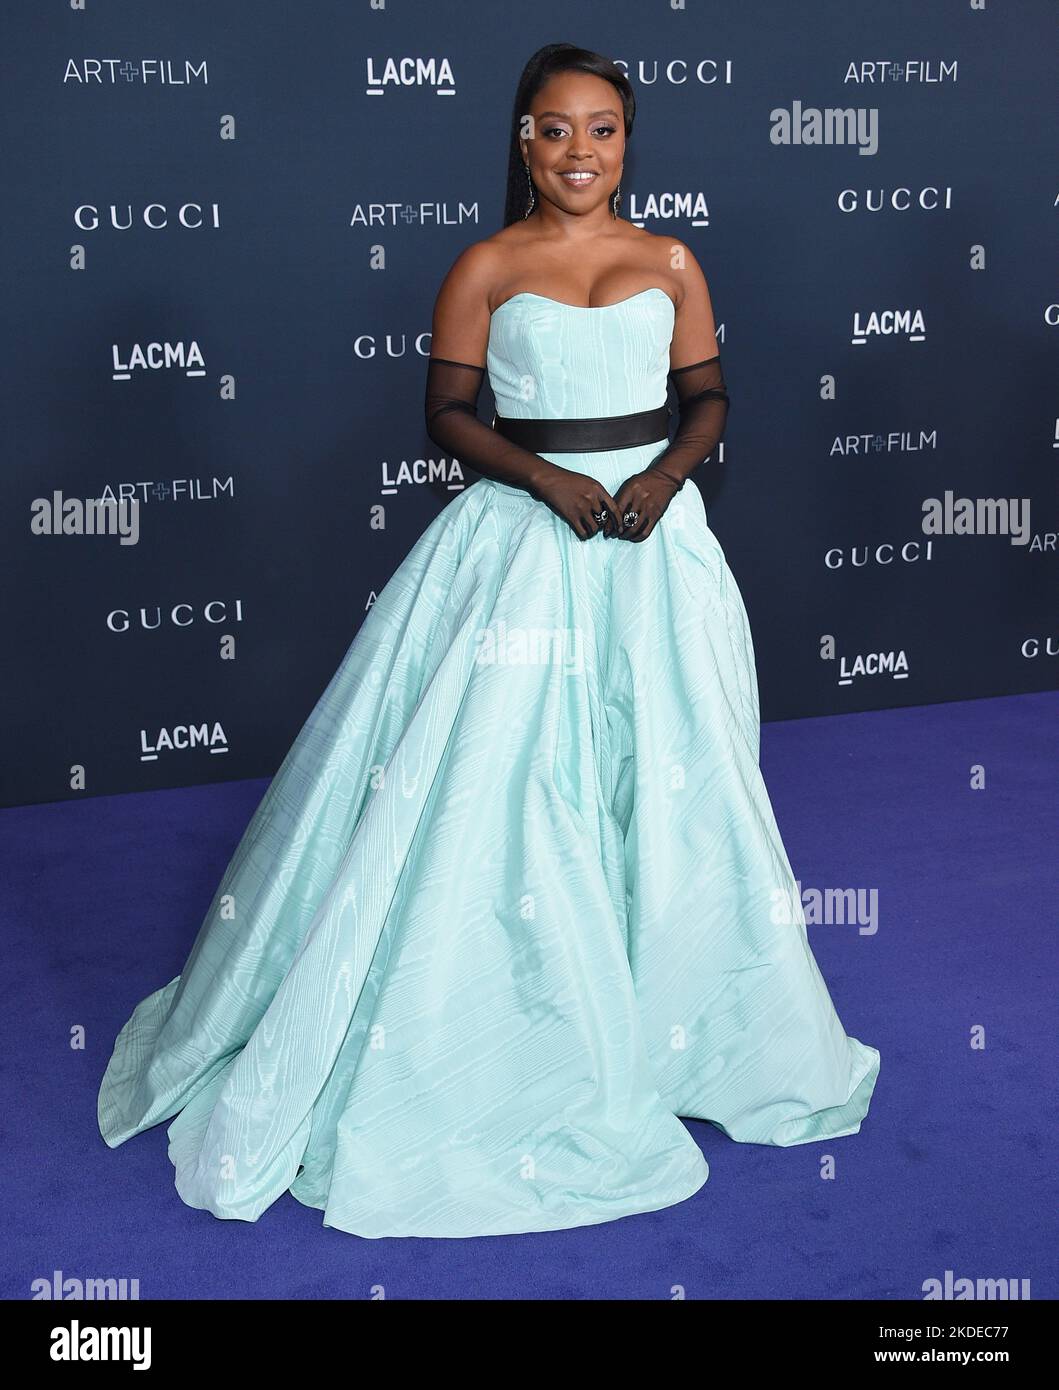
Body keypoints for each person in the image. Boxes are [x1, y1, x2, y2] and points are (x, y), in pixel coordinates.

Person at [97, 43, 880, 1240]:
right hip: (524, 541)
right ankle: (511, 1015)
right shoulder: (485, 264)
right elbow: (447, 412)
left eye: (604, 129)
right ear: (524, 141)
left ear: (629, 140)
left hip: (654, 546)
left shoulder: (672, 260)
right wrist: (544, 481)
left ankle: (685, 1014)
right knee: (505, 782)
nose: (581, 152)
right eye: (556, 129)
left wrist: (666, 475)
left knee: (685, 773)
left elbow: (710, 394)